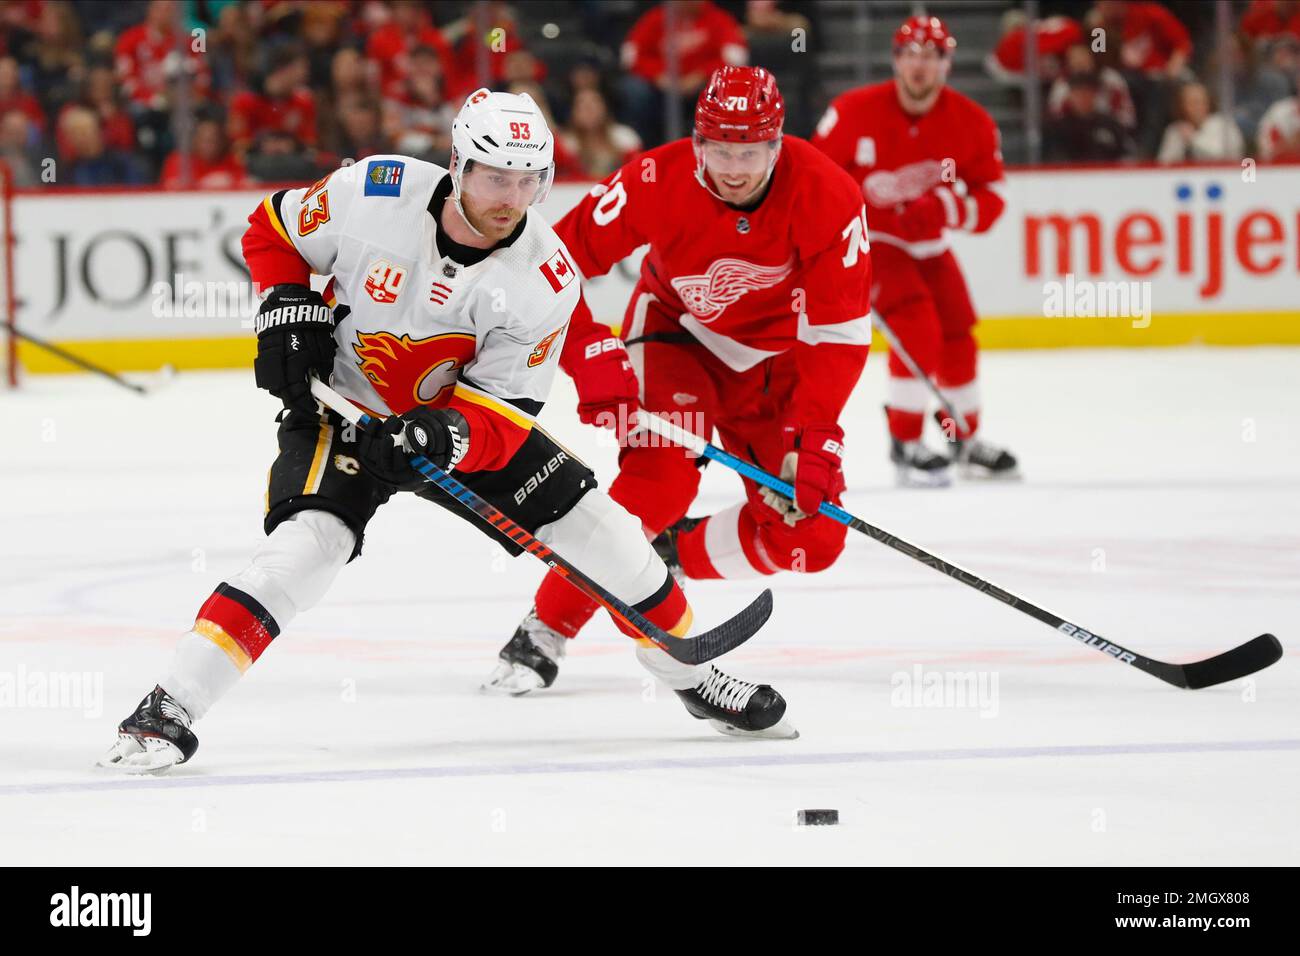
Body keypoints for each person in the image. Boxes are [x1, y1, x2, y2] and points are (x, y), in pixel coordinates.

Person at [98, 89, 787, 774]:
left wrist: (443, 438)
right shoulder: (374, 189)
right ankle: (168, 707)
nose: (510, 197)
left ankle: (695, 677)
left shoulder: (546, 278)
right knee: (308, 548)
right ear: (457, 164)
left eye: (529, 180)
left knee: (603, 532)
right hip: (342, 411)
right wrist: (286, 299)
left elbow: (505, 418)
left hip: (453, 425)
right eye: (494, 176)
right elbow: (272, 228)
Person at [485, 66, 869, 707]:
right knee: (658, 483)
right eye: (720, 150)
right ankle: (545, 628)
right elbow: (553, 261)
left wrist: (817, 435)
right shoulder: (653, 177)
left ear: (777, 144)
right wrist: (593, 354)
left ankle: (668, 552)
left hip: (777, 369)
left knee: (812, 536)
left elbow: (836, 336)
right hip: (676, 339)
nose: (735, 168)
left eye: (750, 152)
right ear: (696, 143)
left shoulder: (828, 194)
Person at [812, 15, 1019, 488]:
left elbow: (993, 196)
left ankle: (962, 436)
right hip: (873, 244)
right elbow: (812, 178)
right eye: (910, 54)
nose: (919, 65)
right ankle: (905, 440)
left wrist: (949, 207)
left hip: (929, 245)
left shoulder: (971, 122)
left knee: (958, 332)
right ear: (896, 60)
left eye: (931, 56)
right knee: (916, 326)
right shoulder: (853, 111)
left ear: (946, 64)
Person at [1155, 81, 1245, 163]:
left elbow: (1223, 155)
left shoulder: (1224, 124)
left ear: (1208, 102)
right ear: (1181, 105)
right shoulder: (1175, 129)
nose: (1196, 107)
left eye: (1199, 101)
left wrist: (1193, 139)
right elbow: (1164, 162)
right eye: (1190, 102)